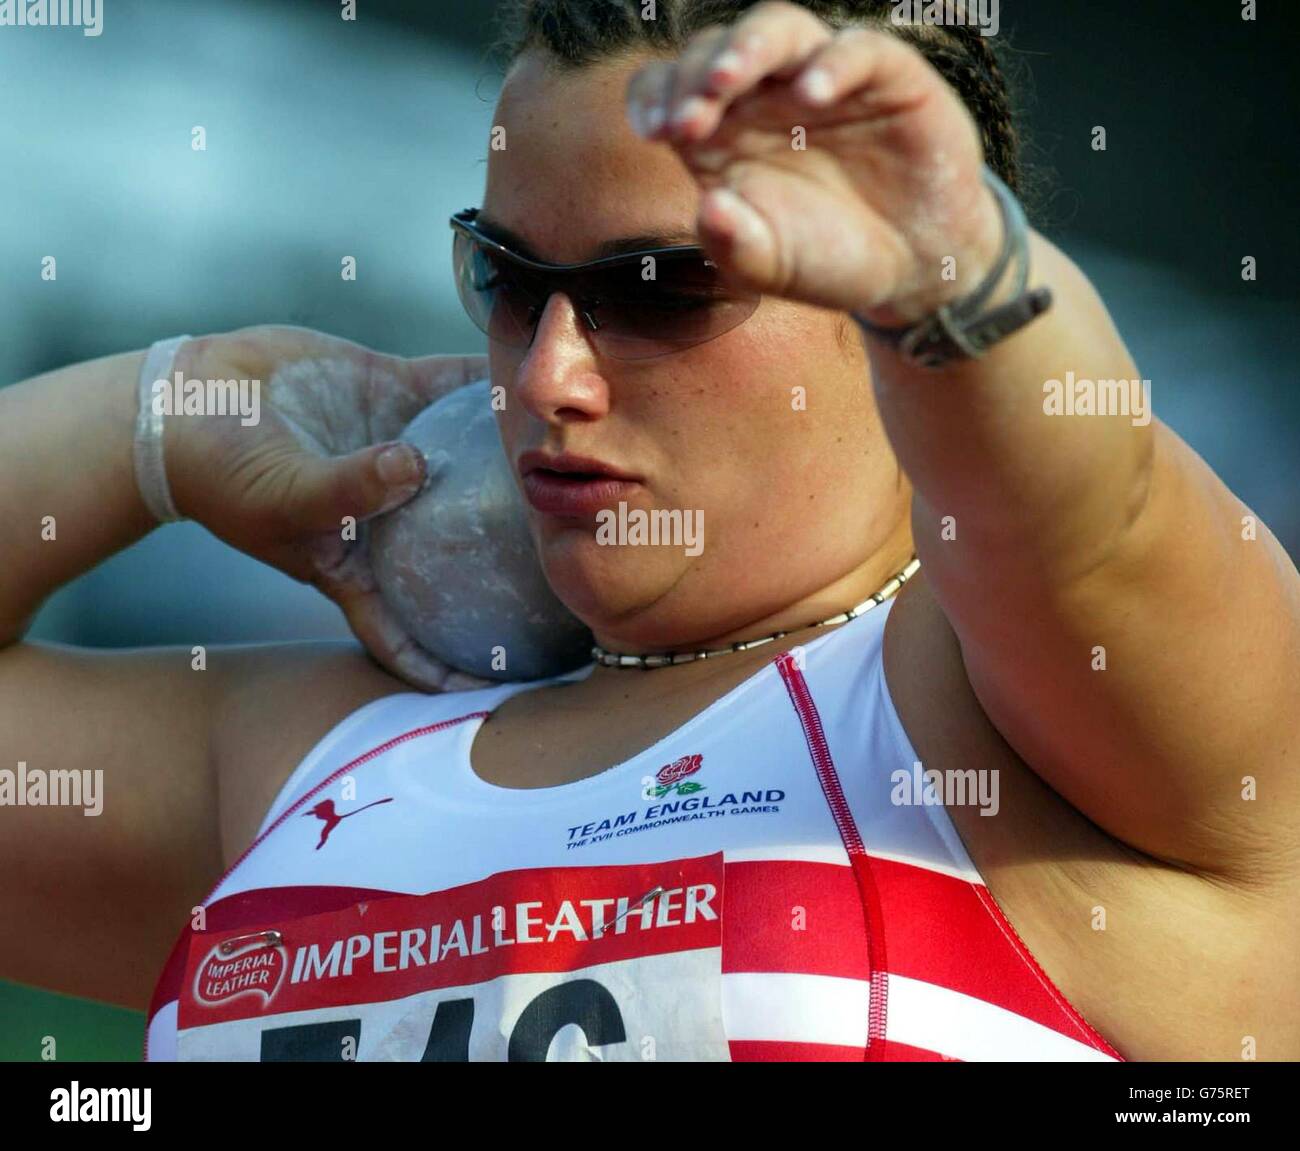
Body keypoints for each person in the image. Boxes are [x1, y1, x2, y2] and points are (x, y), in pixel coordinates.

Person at [1, 0, 1296, 1062]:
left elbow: (1090, 515)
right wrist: (168, 410)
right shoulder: (310, 760)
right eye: (511, 282)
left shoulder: (1026, 732)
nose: (549, 374)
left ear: (890, 292)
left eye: (660, 288)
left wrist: (968, 274)